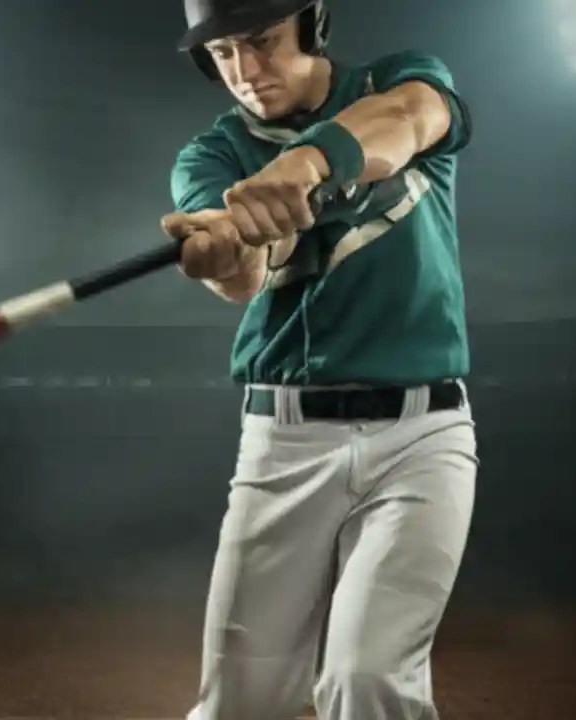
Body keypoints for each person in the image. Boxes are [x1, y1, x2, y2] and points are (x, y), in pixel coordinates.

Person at [158, 1, 478, 717]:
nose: (244, 71)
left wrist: (306, 163)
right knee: (239, 701)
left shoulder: (399, 81)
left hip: (422, 434)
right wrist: (220, 252)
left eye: (262, 41)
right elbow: (244, 275)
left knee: (366, 680)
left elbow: (406, 123)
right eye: (223, 53)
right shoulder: (212, 157)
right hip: (284, 443)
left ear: (313, 20)